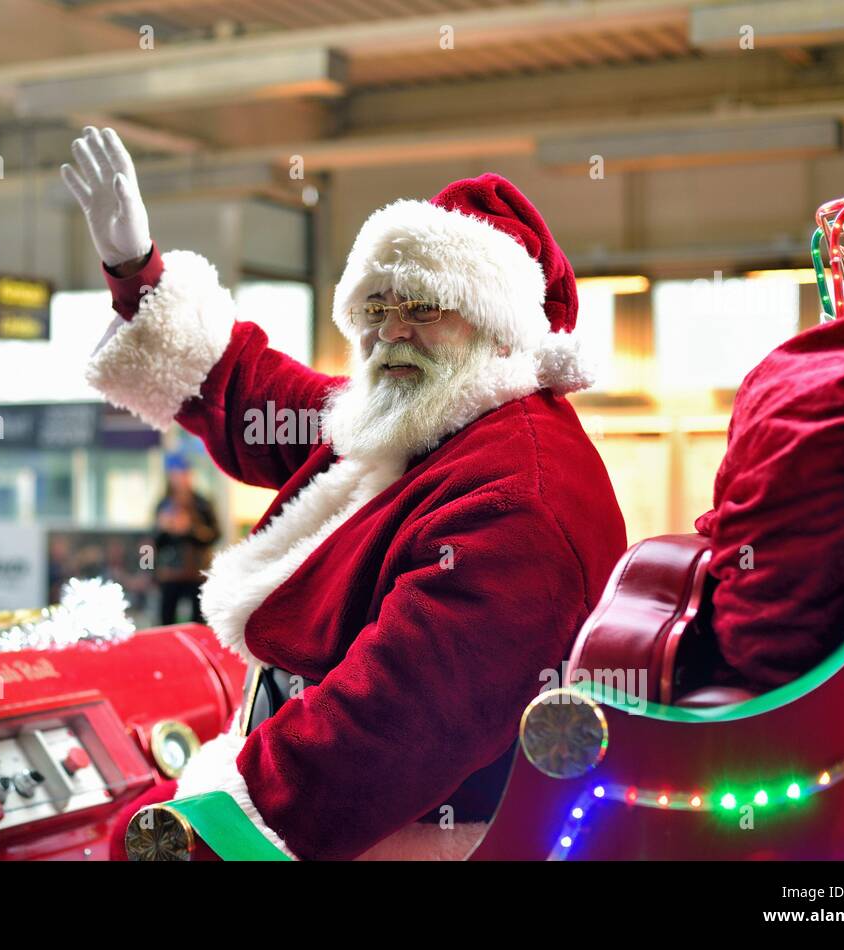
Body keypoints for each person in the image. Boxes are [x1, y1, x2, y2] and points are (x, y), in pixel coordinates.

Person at [63, 127, 626, 860]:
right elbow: (253, 393)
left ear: (498, 328)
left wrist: (196, 828)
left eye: (424, 307)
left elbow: (385, 730)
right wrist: (137, 270)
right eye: (375, 307)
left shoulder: (519, 496)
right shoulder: (430, 417)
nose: (391, 332)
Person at [153, 455, 221, 624]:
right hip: (170, 574)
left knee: (198, 623)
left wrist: (189, 529)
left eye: (182, 474)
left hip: (197, 574)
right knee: (166, 623)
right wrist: (164, 529)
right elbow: (153, 543)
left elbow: (215, 535)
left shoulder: (202, 504)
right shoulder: (163, 505)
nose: (179, 479)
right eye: (175, 475)